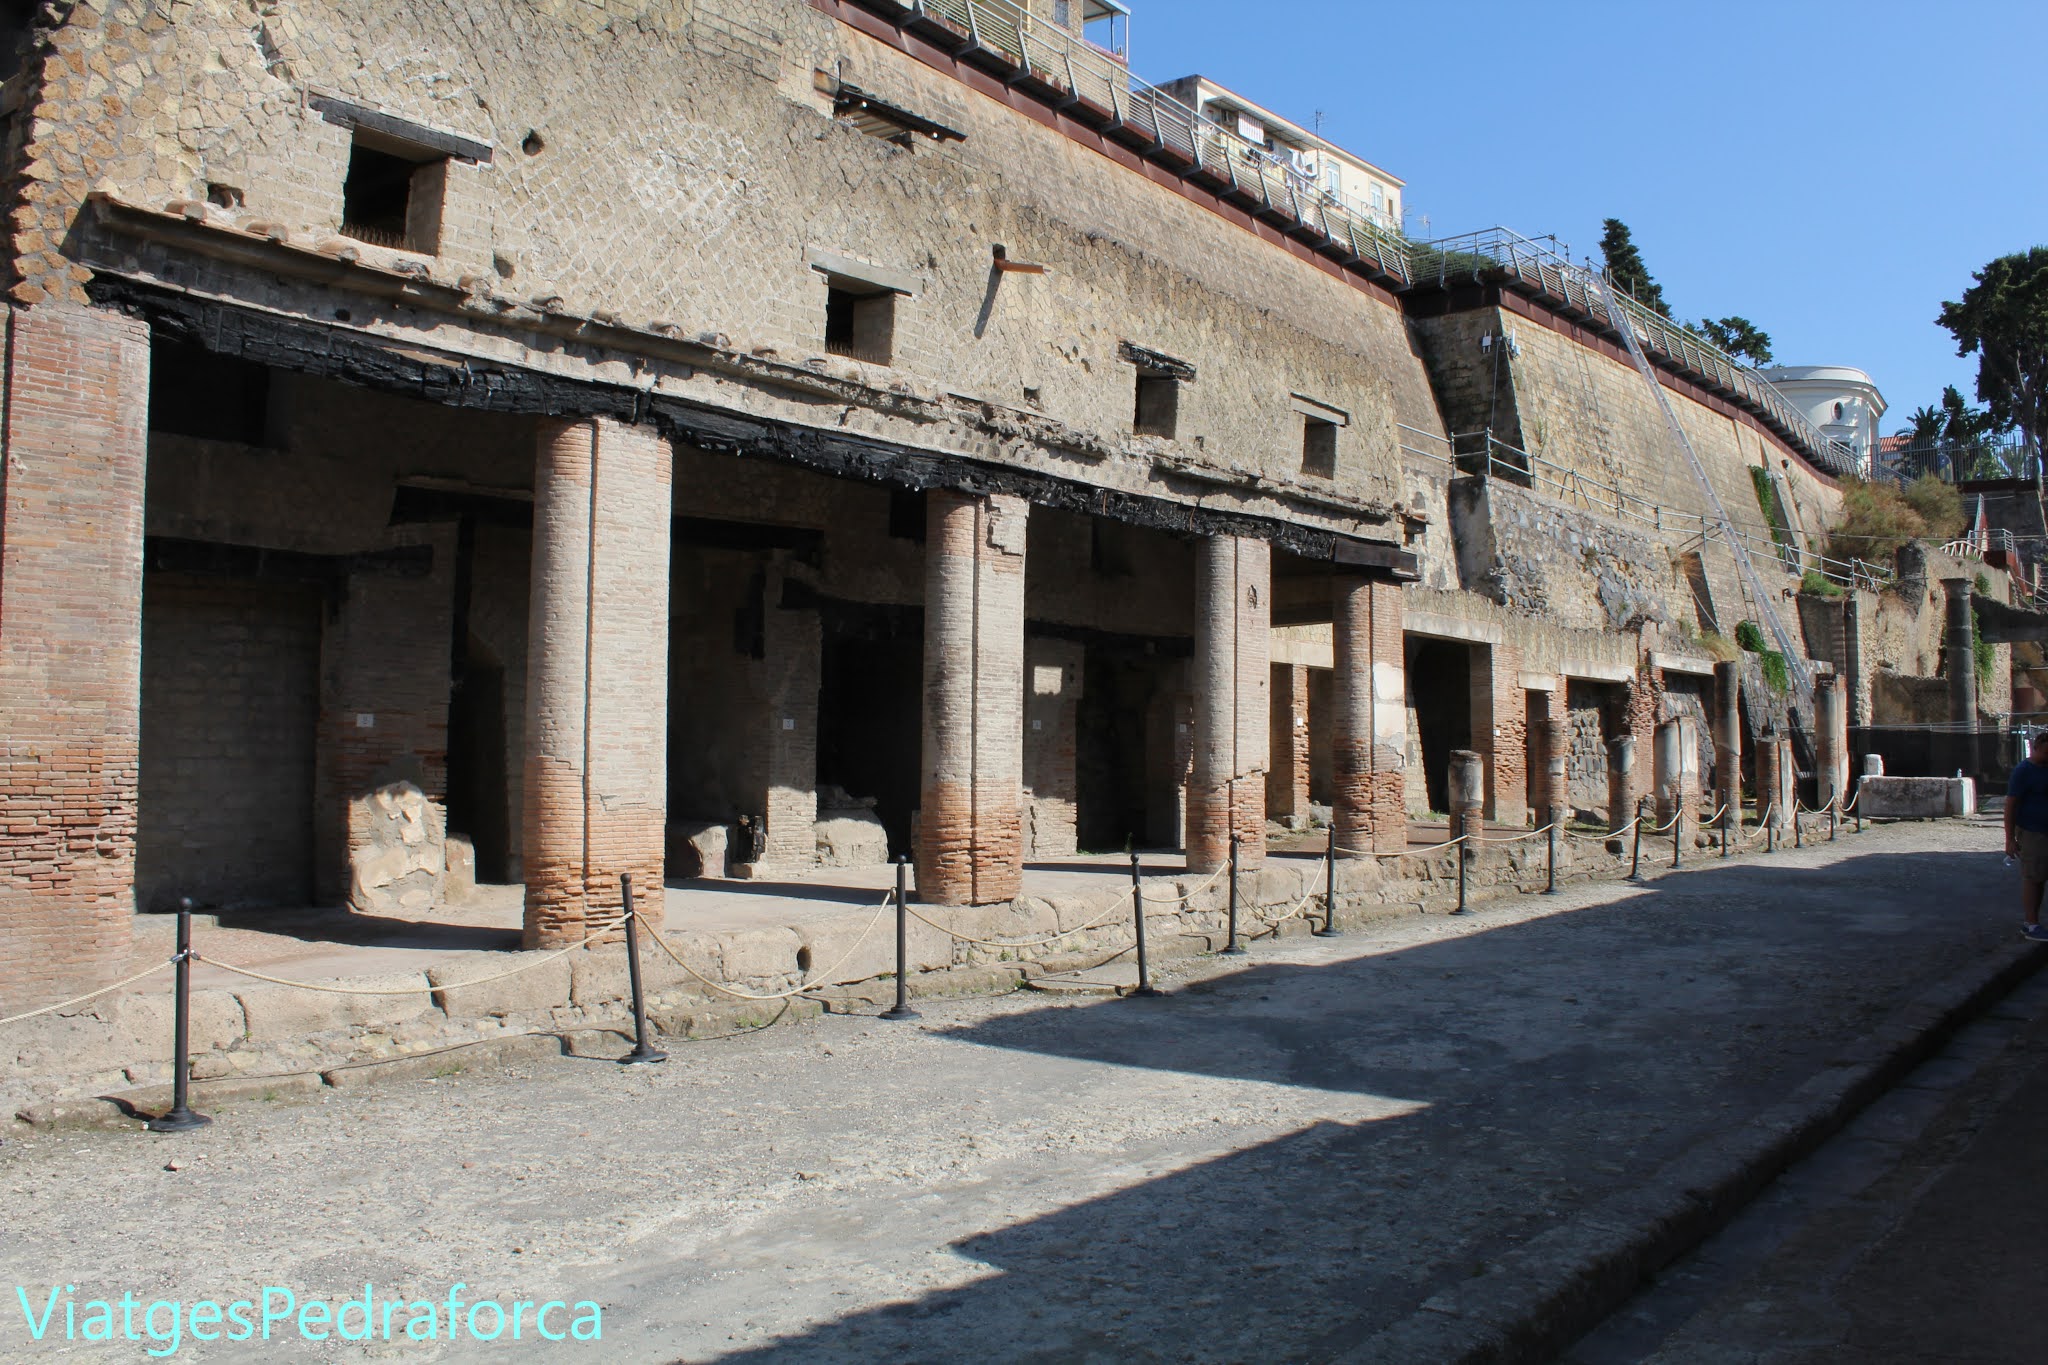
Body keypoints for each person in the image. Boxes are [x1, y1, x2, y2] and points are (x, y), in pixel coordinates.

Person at [2005, 731, 2048, 941]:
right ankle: (2030, 924)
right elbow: (2011, 804)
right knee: (2034, 878)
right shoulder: (2024, 771)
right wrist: (2010, 839)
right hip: (2032, 832)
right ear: (2037, 747)